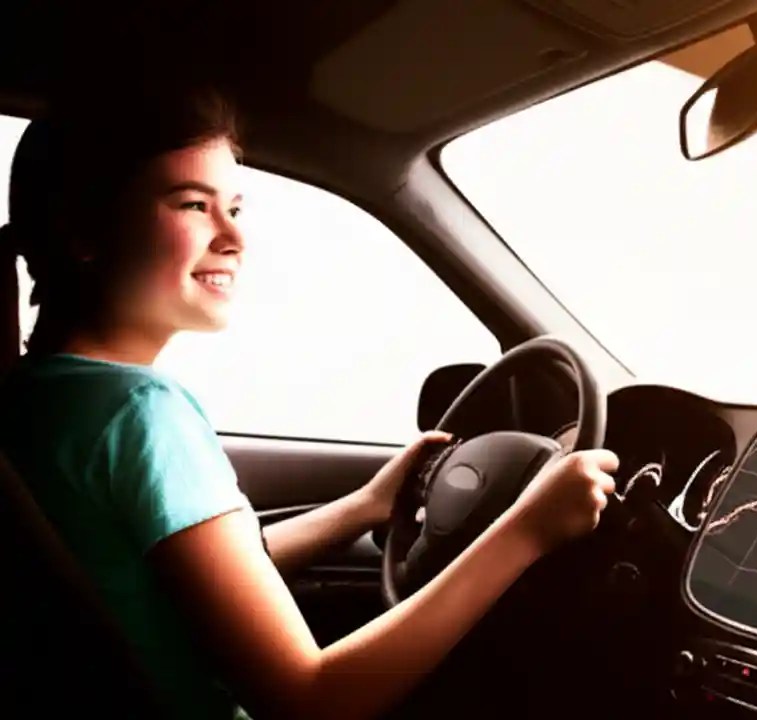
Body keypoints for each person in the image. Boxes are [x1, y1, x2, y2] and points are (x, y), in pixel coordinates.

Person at [0, 85, 619, 719]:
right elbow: (312, 699)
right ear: (83, 232)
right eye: (192, 204)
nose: (234, 238)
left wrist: (363, 507)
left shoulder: (33, 399)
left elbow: (188, 578)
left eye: (235, 208)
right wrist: (528, 530)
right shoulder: (142, 413)